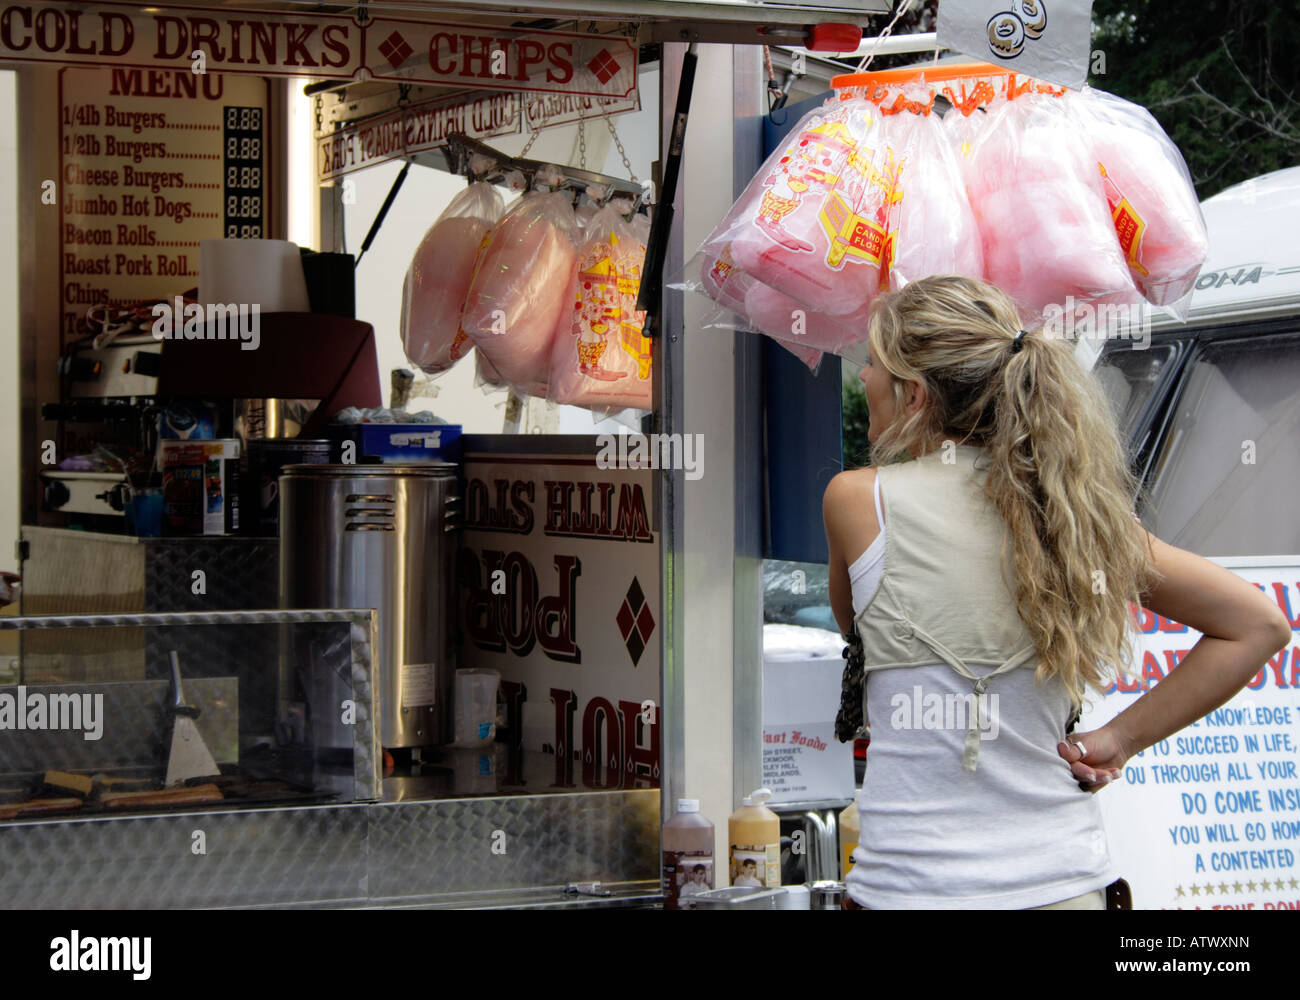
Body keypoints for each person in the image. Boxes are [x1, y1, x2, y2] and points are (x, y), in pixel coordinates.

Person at [822, 275, 1291, 910]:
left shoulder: (858, 501)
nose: (864, 379)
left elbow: (855, 626)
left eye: (872, 364)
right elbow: (1258, 625)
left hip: (912, 891)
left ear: (913, 393)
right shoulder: (1071, 516)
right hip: (1063, 885)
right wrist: (1119, 740)